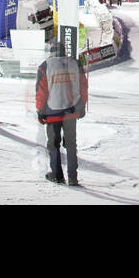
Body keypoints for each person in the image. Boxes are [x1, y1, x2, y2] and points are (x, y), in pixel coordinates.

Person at [36, 39, 89, 187]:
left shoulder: (45, 66)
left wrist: (40, 111)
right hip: (71, 112)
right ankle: (73, 178)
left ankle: (57, 175)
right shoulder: (75, 63)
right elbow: (83, 86)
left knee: (53, 145)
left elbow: (41, 91)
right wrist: (82, 106)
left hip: (52, 113)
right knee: (71, 145)